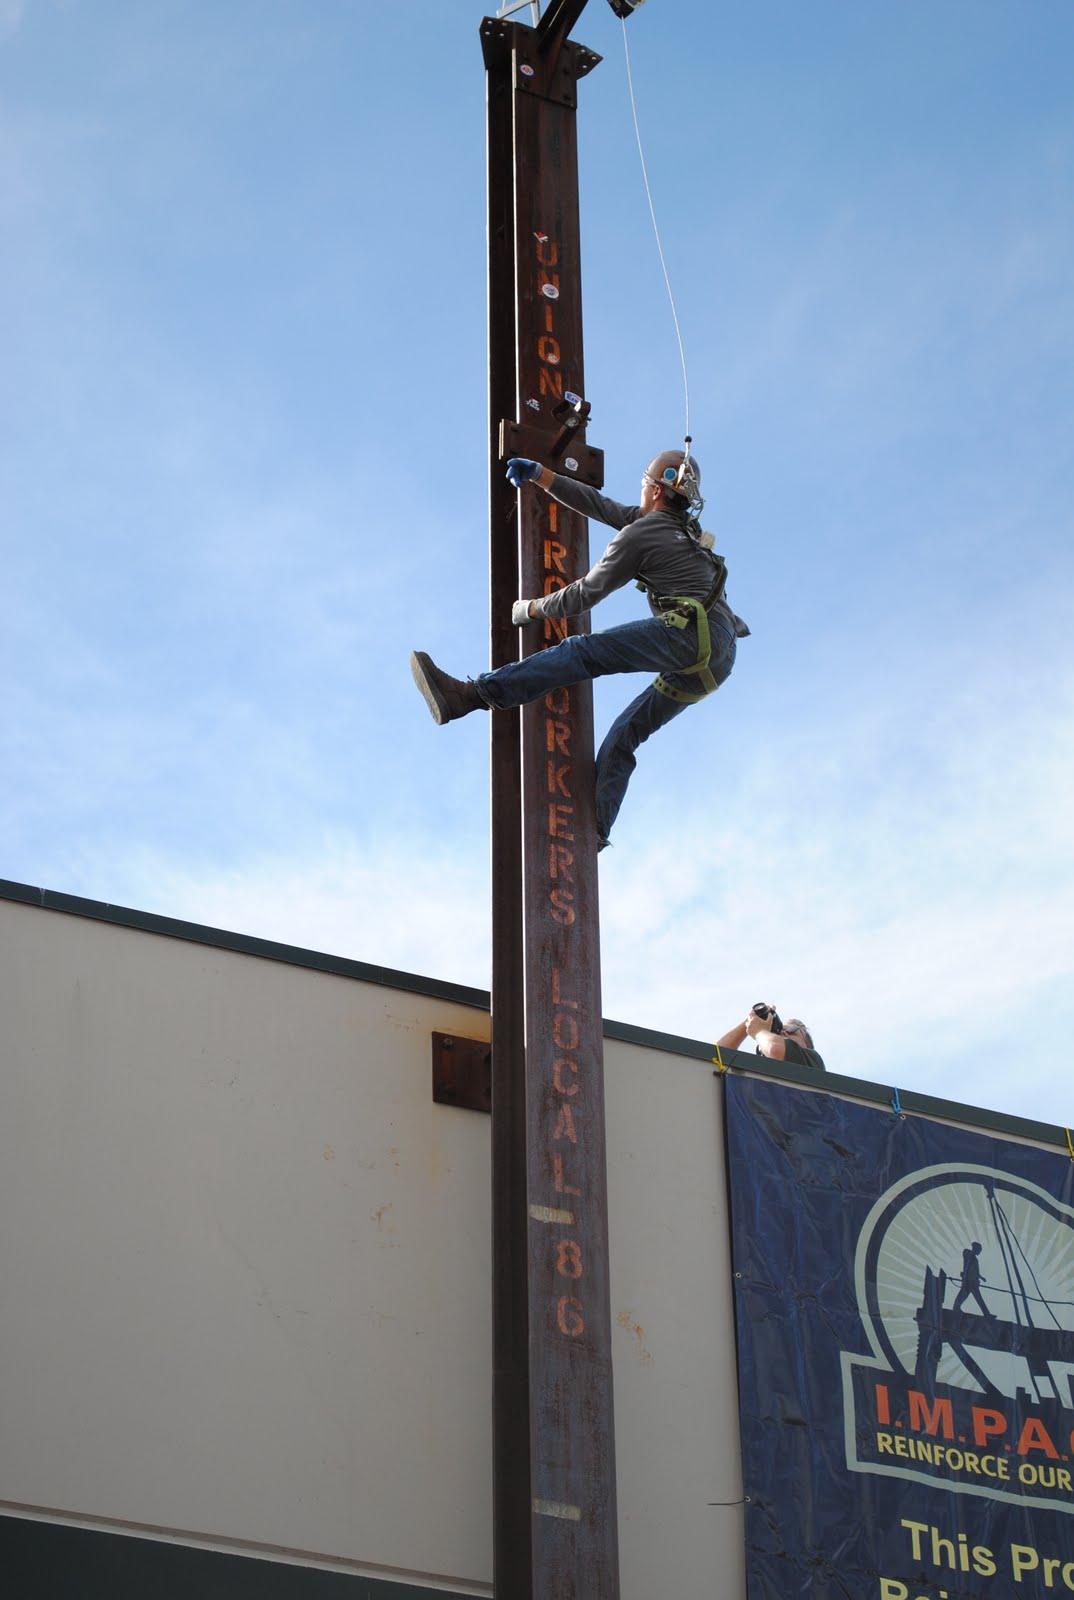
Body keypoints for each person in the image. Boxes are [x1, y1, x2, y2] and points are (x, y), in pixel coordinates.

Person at [410, 449, 748, 848]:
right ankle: (597, 831)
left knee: (583, 652)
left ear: (656, 490)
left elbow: (584, 595)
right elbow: (599, 506)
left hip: (691, 634)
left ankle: (470, 696)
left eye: (643, 483)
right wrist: (543, 475)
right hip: (718, 658)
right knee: (626, 733)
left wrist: (532, 608)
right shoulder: (677, 531)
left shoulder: (641, 534)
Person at [716, 1004, 826, 1071]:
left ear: (807, 1044)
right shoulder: (757, 1066)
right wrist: (750, 1021)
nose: (784, 1033)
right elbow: (716, 1055)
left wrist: (759, 1031)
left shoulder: (813, 1061)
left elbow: (775, 1048)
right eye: (778, 1032)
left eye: (791, 1031)